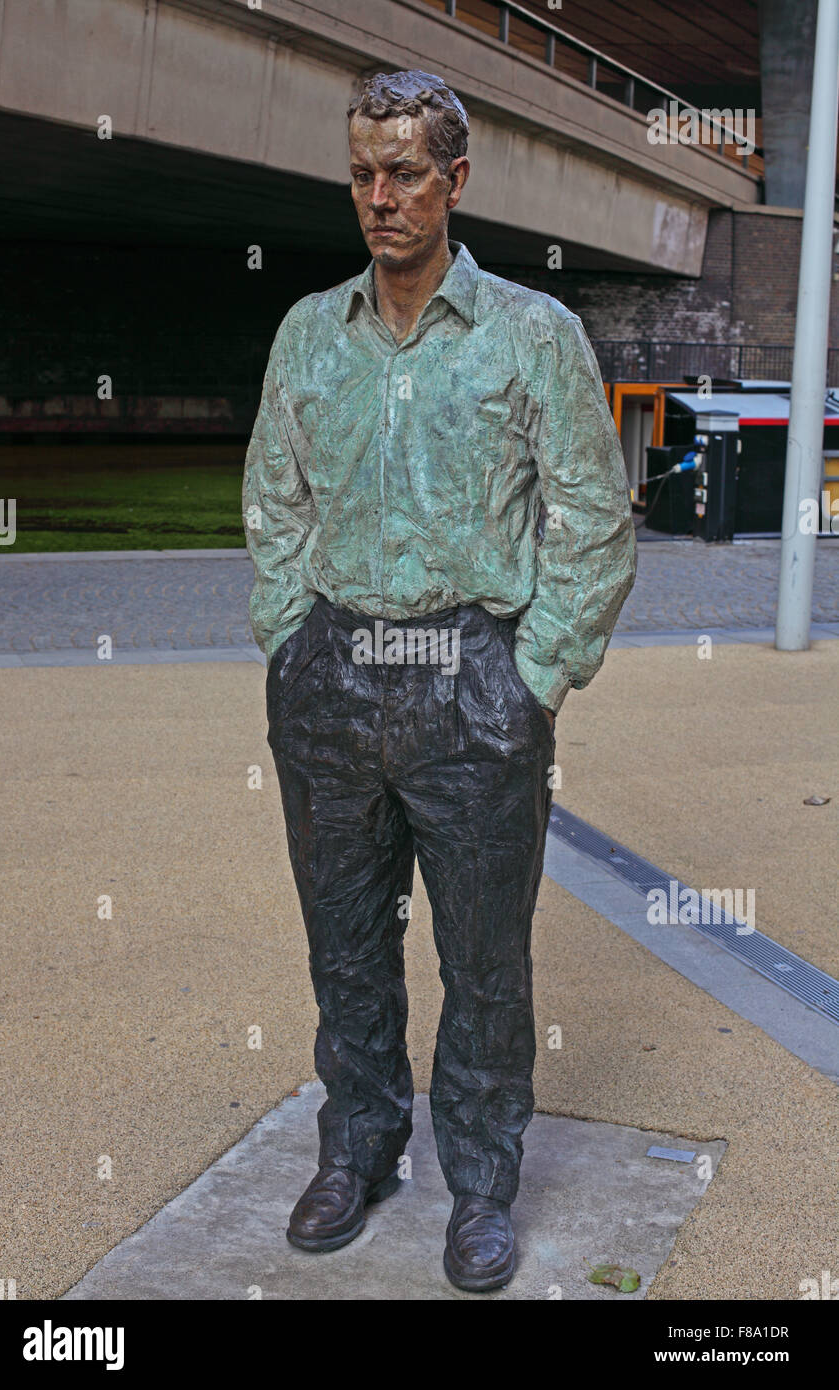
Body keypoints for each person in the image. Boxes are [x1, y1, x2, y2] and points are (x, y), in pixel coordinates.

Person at [242, 69, 637, 1293]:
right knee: (345, 945)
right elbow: (272, 500)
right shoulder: (311, 331)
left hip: (474, 680)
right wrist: (290, 638)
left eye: (404, 172)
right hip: (333, 680)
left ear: (454, 181)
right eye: (362, 173)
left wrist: (533, 676)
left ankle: (479, 1179)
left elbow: (589, 514)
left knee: (483, 954)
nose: (379, 197)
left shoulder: (530, 335)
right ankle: (355, 1146)